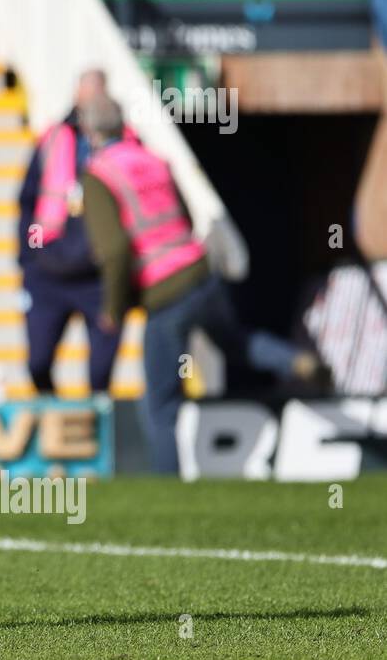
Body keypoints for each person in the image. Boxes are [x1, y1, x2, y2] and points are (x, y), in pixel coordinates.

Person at [77, 96, 323, 473]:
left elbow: (113, 251)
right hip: (201, 272)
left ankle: (170, 486)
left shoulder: (98, 175)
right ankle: (294, 360)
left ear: (89, 131)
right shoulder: (152, 159)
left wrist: (113, 309)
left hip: (164, 290)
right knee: (235, 341)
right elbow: (185, 213)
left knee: (160, 402)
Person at [16, 70, 122, 395]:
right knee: (38, 363)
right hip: (50, 269)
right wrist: (29, 259)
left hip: (99, 275)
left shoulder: (127, 146)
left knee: (101, 376)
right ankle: (56, 429)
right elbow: (27, 201)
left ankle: (98, 438)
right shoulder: (53, 139)